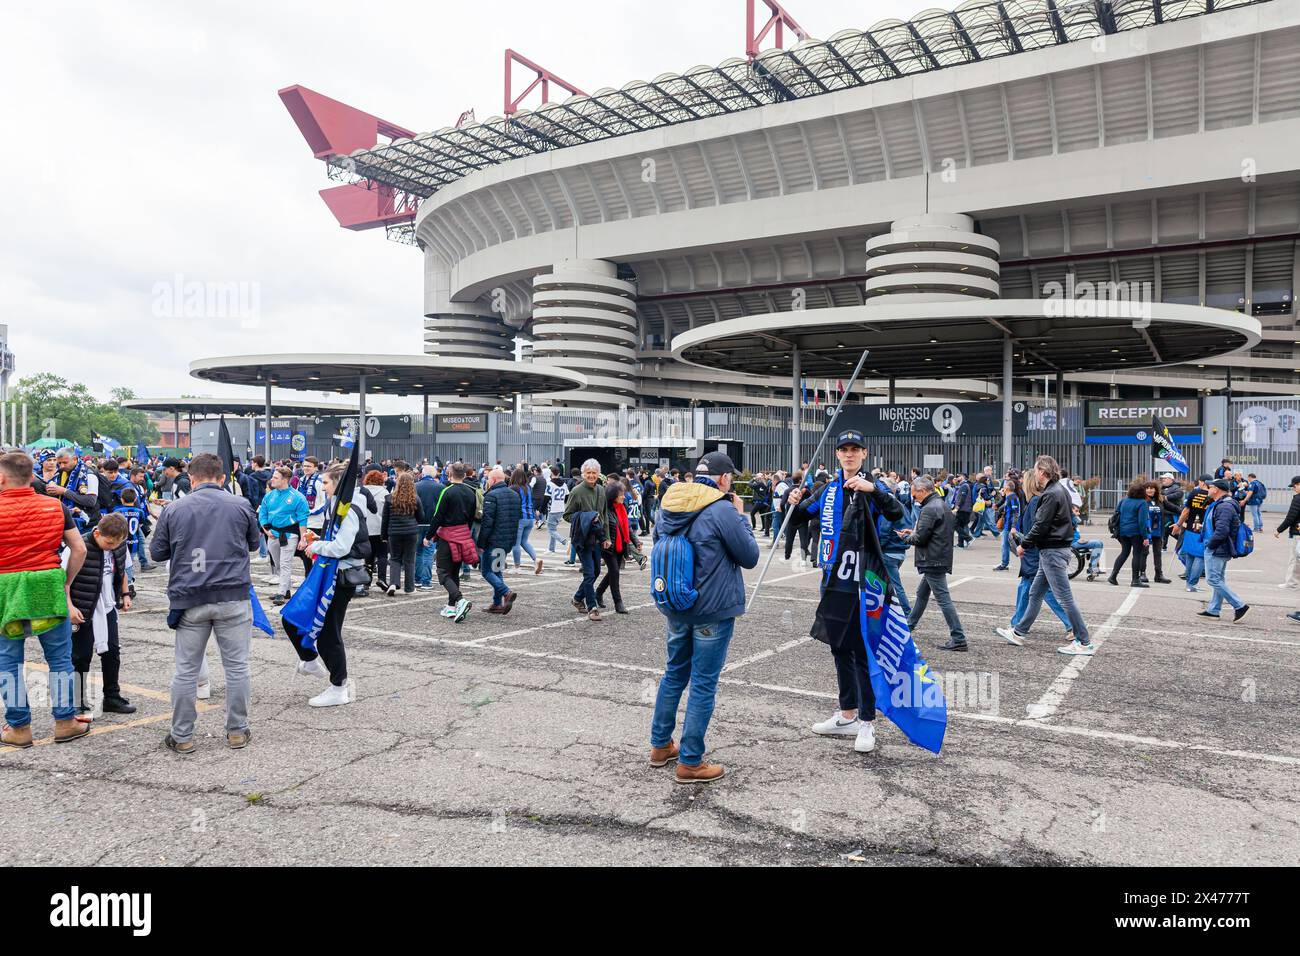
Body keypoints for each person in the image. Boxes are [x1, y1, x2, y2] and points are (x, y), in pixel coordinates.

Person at [649, 451, 757, 784]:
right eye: (731, 478)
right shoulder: (722, 508)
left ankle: (660, 746)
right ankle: (691, 761)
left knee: (674, 674)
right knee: (703, 683)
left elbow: (657, 542)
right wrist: (740, 516)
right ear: (724, 479)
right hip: (711, 608)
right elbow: (749, 556)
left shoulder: (670, 502)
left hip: (676, 603)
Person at [792, 432, 903, 752]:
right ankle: (847, 714)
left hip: (864, 581)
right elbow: (801, 516)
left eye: (855, 450)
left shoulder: (873, 486)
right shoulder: (828, 488)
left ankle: (867, 721)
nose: (849, 455)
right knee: (838, 646)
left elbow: (897, 513)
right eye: (844, 450)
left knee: (861, 652)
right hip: (833, 579)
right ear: (837, 454)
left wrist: (873, 490)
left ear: (865, 454)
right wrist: (794, 502)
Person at [149, 453, 260, 754]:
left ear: (192, 479)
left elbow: (156, 554)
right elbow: (254, 545)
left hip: (191, 597)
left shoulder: (175, 508)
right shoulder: (241, 505)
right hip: (232, 595)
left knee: (186, 670)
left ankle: (182, 735)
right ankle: (237, 731)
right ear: (222, 478)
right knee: (237, 667)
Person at [0, 451, 89, 748]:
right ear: (32, 476)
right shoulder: (55, 506)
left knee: (8, 662)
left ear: (2, 478)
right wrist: (65, 583)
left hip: (5, 588)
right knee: (60, 659)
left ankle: (19, 728)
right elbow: (79, 550)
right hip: (47, 584)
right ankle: (65, 722)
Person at [288, 463, 372, 706]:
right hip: (329, 573)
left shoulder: (349, 510)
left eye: (325, 482)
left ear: (338, 483)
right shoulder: (337, 507)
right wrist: (319, 540)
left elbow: (341, 547)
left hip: (339, 575)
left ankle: (338, 686)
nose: (321, 486)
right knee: (294, 617)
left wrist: (316, 546)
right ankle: (310, 660)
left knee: (328, 633)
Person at [995, 455, 1093, 655]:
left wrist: (1024, 544)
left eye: (1036, 469)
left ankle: (1083, 642)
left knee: (1064, 597)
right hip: (1053, 550)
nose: (1034, 473)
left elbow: (1041, 525)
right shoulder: (1059, 490)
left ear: (1042, 472)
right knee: (1036, 593)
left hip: (1052, 552)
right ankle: (1019, 632)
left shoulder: (1050, 493)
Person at [66, 512, 136, 718]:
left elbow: (121, 570)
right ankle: (77, 702)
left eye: (117, 543)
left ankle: (112, 697)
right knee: (81, 656)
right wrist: (69, 606)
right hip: (83, 606)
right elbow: (63, 581)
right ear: (97, 533)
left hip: (106, 606)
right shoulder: (80, 547)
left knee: (112, 651)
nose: (112, 546)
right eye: (109, 542)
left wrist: (125, 594)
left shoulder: (120, 546)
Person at [902, 475, 969, 651]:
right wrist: (914, 532)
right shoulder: (941, 505)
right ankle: (908, 626)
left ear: (923, 491)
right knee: (922, 593)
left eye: (914, 494)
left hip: (932, 560)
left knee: (943, 598)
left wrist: (906, 537)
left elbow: (920, 538)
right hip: (939, 557)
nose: (913, 497)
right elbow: (931, 532)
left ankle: (959, 637)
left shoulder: (929, 508)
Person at [1006, 470, 1074, 640]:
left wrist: (1023, 543)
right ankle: (1017, 625)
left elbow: (1036, 530)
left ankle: (1072, 625)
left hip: (1036, 554)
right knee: (1028, 590)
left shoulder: (1036, 501)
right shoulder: (1035, 501)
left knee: (1044, 593)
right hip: (1036, 553)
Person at [425, 462, 475, 622]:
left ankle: (459, 600)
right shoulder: (471, 492)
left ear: (449, 474)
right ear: (465, 475)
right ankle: (451, 607)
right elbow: (472, 518)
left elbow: (437, 516)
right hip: (463, 535)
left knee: (443, 572)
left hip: (447, 536)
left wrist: (428, 536)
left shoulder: (446, 491)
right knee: (454, 572)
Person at [564, 459, 611, 621]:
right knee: (590, 574)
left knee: (596, 571)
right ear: (584, 474)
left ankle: (577, 598)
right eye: (588, 473)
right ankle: (592, 607)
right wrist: (586, 518)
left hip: (598, 538)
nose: (591, 476)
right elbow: (567, 515)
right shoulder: (577, 491)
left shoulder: (601, 490)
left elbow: (604, 515)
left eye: (594, 473)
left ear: (598, 474)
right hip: (582, 538)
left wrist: (607, 538)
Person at [258, 467, 309, 605]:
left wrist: (303, 538)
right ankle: (285, 590)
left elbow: (303, 519)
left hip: (290, 534)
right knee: (278, 563)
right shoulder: (269, 496)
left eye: (275, 477)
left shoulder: (298, 497)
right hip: (272, 534)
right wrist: (266, 529)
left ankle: (280, 593)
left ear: (285, 480)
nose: (272, 480)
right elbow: (263, 514)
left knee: (285, 563)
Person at [1199, 479, 1249, 623]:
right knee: (1218, 579)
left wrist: (1211, 544)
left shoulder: (1225, 506)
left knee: (1213, 579)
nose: (1208, 489)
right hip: (1218, 547)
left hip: (1217, 548)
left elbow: (1222, 530)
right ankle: (1213, 610)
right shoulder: (1221, 504)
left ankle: (1239, 605)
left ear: (1217, 489)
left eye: (1210, 487)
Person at [477, 466, 521, 614]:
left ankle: (506, 592)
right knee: (496, 570)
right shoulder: (514, 495)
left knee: (487, 571)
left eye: (489, 479)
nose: (488, 481)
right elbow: (517, 519)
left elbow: (487, 522)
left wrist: (481, 543)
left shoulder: (491, 496)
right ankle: (497, 603)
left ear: (494, 480)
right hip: (507, 540)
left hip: (493, 540)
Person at [382, 473, 425, 595]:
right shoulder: (415, 499)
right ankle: (410, 588)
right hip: (411, 532)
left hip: (394, 533)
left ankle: (394, 584)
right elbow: (421, 517)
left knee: (395, 559)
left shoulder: (389, 498)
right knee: (409, 560)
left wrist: (384, 536)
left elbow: (385, 519)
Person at [595, 478, 631, 614]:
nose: (623, 496)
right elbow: (603, 528)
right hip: (608, 546)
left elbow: (626, 528)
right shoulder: (606, 510)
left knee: (612, 572)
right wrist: (605, 540)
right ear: (613, 496)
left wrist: (636, 541)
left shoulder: (622, 507)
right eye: (620, 494)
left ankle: (598, 592)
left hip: (620, 546)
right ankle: (618, 602)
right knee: (615, 572)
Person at [1109, 480, 1154, 588]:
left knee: (1124, 553)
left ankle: (1113, 576)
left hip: (1123, 531)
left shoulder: (1124, 500)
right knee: (1137, 554)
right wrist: (1145, 537)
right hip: (1136, 532)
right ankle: (1135, 580)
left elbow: (1117, 513)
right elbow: (1142, 522)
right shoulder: (1142, 503)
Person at [1172, 475, 1212, 590]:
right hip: (1204, 530)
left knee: (1190, 555)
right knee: (1200, 557)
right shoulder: (1212, 496)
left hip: (1190, 528)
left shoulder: (1193, 494)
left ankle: (1189, 584)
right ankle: (1192, 584)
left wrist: (1178, 524)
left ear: (1202, 482)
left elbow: (1186, 511)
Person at [412, 464, 443, 590]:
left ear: (422, 474)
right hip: (432, 524)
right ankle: (426, 581)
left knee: (418, 552)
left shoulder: (415, 486)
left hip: (417, 523)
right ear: (434, 474)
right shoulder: (440, 488)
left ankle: (417, 579)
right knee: (428, 553)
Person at [361, 468, 390, 596]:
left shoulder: (362, 492)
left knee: (368, 556)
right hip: (380, 528)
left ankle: (367, 581)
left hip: (365, 528)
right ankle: (382, 579)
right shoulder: (384, 492)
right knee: (382, 554)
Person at [509, 467, 544, 574]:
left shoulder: (513, 488)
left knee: (516, 543)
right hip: (530, 518)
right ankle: (536, 560)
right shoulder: (528, 487)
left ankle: (517, 567)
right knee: (524, 542)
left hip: (519, 518)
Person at [993, 476, 1025, 571]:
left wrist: (1014, 526)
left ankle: (1005, 564)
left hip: (1010, 525)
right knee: (1009, 545)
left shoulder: (1012, 497)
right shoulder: (1009, 496)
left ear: (1007, 487)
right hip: (1008, 525)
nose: (1003, 487)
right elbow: (1006, 507)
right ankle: (1005, 563)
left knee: (1013, 545)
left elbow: (1016, 512)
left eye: (1005, 485)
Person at [1275, 476, 1300, 591]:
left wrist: (1279, 530)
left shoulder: (1298, 499)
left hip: (1298, 533)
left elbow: (1290, 517)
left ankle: (1291, 583)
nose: (1293, 489)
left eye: (1294, 486)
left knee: (1295, 559)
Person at [544, 465, 569, 554]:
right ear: (559, 473)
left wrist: (541, 509)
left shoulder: (550, 484)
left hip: (553, 509)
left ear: (551, 473)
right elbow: (567, 497)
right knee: (553, 529)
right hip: (561, 508)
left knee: (551, 530)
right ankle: (551, 549)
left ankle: (564, 541)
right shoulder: (564, 484)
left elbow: (546, 498)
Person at [749, 471, 772, 537]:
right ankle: (763, 527)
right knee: (762, 514)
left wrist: (753, 479)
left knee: (752, 513)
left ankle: (753, 526)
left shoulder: (758, 484)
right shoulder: (765, 483)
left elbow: (749, 484)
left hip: (759, 502)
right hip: (764, 502)